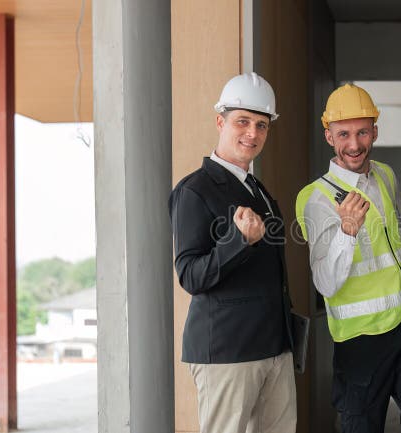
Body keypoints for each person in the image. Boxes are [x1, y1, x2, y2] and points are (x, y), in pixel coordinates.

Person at [295, 84, 401, 433]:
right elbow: (325, 283)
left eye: (362, 132)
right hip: (359, 341)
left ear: (375, 131)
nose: (354, 144)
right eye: (344, 134)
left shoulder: (385, 175)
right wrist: (347, 233)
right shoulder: (316, 198)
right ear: (329, 136)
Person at [169, 72, 295, 433]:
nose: (252, 133)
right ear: (220, 122)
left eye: (261, 125)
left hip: (274, 347)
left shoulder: (258, 190)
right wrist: (239, 241)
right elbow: (190, 275)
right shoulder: (195, 190)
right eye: (243, 121)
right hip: (228, 351)